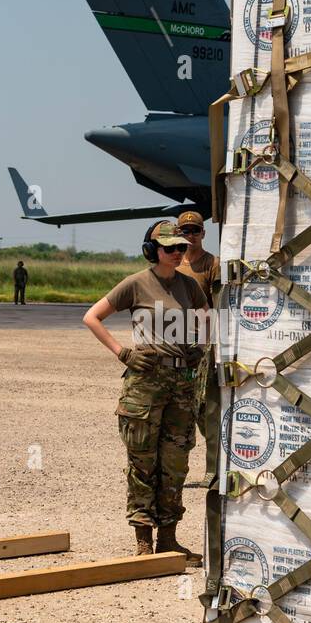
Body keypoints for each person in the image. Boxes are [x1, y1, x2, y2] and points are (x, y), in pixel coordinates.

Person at [83, 221, 207, 562]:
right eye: (170, 248)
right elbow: (92, 317)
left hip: (181, 385)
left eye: (182, 247)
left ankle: (169, 538)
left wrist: (200, 346)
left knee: (175, 462)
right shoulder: (136, 284)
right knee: (142, 461)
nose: (178, 253)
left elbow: (206, 321)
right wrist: (122, 352)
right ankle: (143, 540)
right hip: (146, 382)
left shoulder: (189, 286)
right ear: (153, 250)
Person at [173, 211, 221, 472]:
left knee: (206, 409)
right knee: (179, 407)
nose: (190, 235)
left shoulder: (213, 264)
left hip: (203, 345)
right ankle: (176, 469)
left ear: (203, 233)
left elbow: (218, 307)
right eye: (185, 231)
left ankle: (212, 470)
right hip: (175, 342)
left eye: (195, 230)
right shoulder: (173, 263)